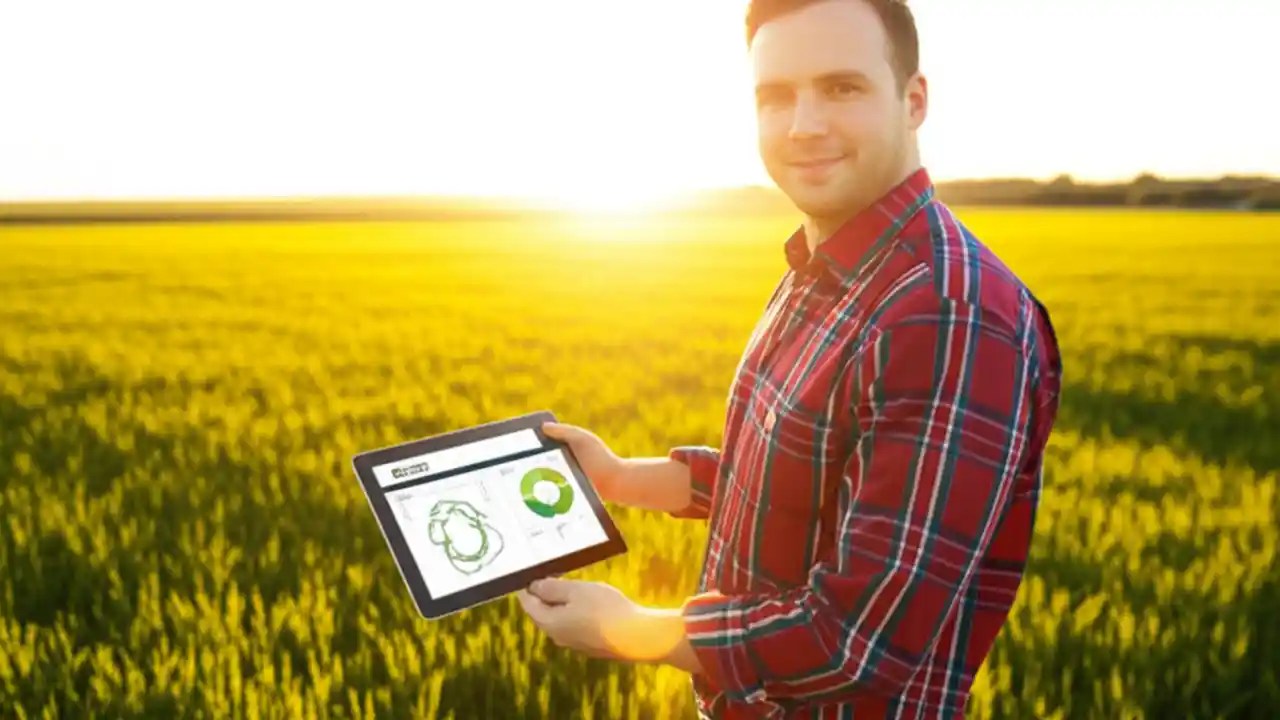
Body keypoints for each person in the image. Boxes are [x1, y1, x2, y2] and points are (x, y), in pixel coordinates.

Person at [515, 0, 1063, 717]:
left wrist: (635, 631)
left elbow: (856, 641)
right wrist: (620, 478)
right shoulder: (827, 266)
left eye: (842, 88)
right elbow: (791, 482)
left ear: (914, 99)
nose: (803, 125)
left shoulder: (945, 311)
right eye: (775, 96)